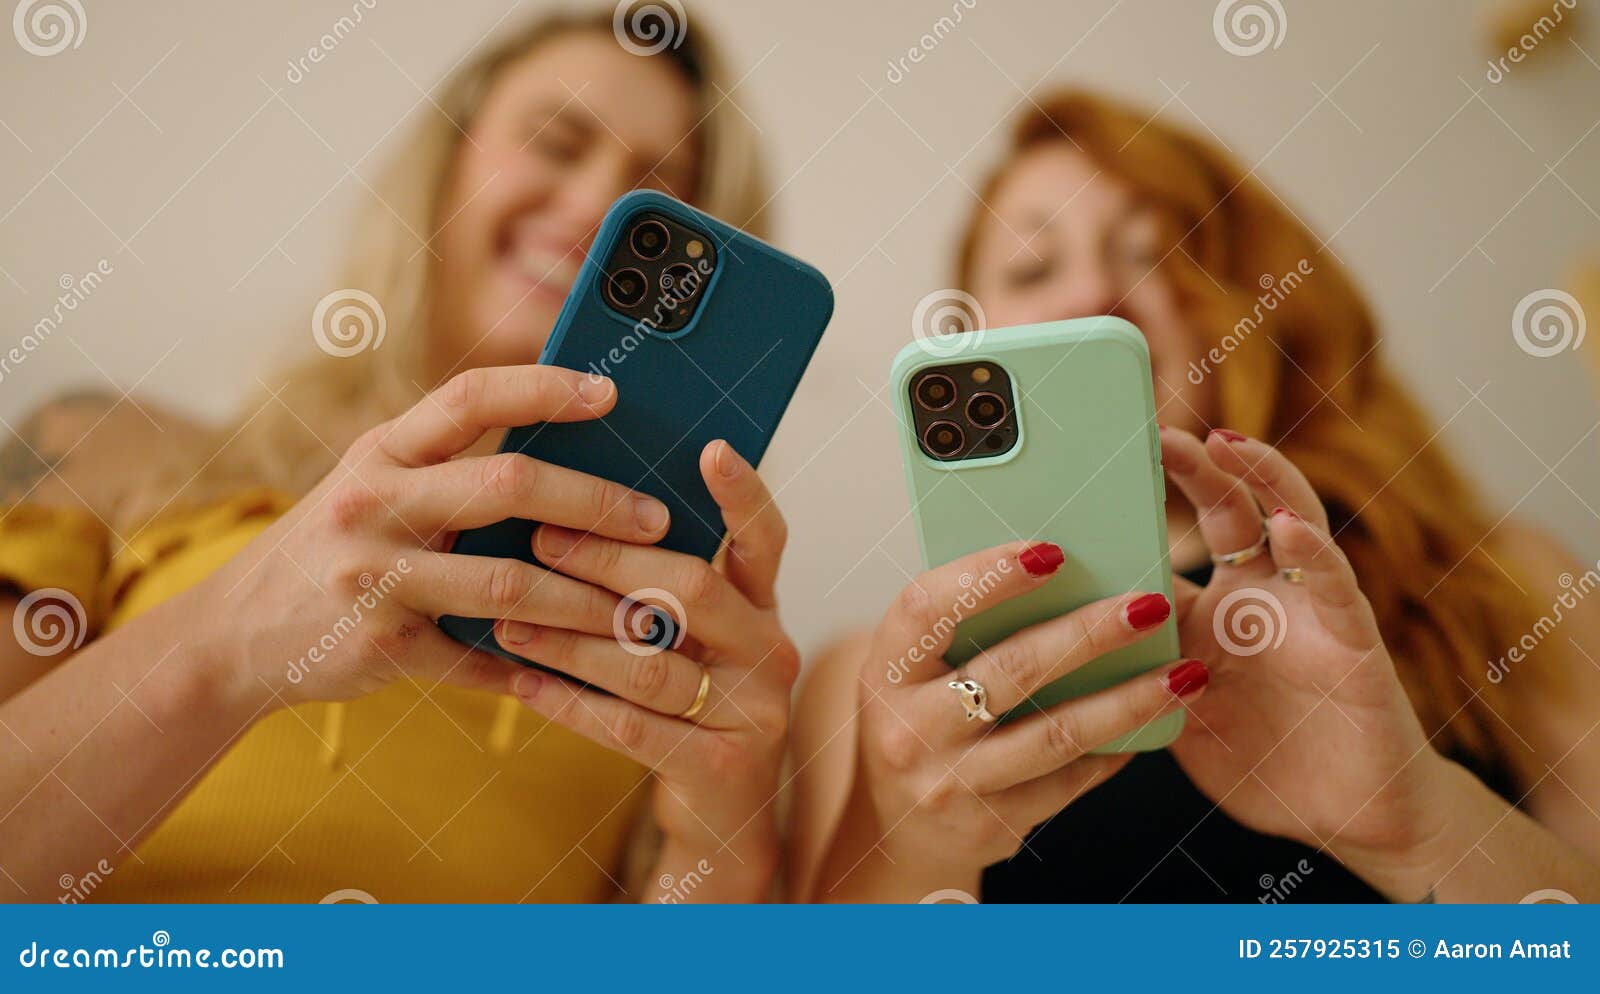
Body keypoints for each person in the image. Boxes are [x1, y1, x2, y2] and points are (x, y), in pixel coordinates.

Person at [0, 6, 798, 904]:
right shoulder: (104, 448)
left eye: (657, 191)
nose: (591, 211)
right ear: (444, 164)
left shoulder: (666, 630)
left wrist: (728, 845)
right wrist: (229, 641)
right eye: (556, 141)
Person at [789, 90, 1600, 904]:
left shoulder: (1502, 581)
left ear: (1238, 304)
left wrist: (1421, 824)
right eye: (1033, 269)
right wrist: (915, 851)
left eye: (1152, 252)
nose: (1095, 294)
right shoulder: (878, 683)